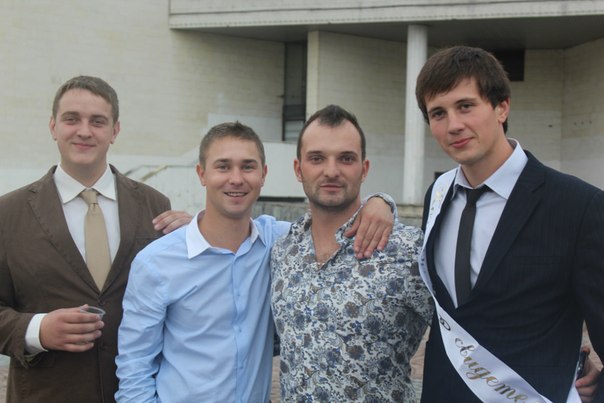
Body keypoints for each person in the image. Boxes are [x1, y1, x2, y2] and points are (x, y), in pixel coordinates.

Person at [115, 121, 395, 402]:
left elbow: (333, 221)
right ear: (202, 174)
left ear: (263, 175)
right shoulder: (157, 262)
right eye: (223, 167)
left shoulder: (282, 241)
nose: (236, 179)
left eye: (247, 167)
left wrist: (381, 201)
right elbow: (134, 368)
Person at [416, 45, 604, 402]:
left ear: (502, 107)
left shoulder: (579, 206)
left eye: (465, 106)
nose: (453, 125)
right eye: (438, 113)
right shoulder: (437, 197)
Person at [0, 76, 189, 403]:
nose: (84, 131)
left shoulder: (155, 205)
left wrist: (198, 237)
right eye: (71, 119)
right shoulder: (8, 213)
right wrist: (37, 330)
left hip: (136, 394)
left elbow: (178, 302)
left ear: (115, 130)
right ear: (53, 126)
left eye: (98, 121)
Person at [270, 105, 434, 402]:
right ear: (298, 169)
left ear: (364, 169)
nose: (331, 171)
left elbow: (462, 342)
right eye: (317, 158)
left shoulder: (407, 250)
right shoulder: (283, 249)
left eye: (346, 158)